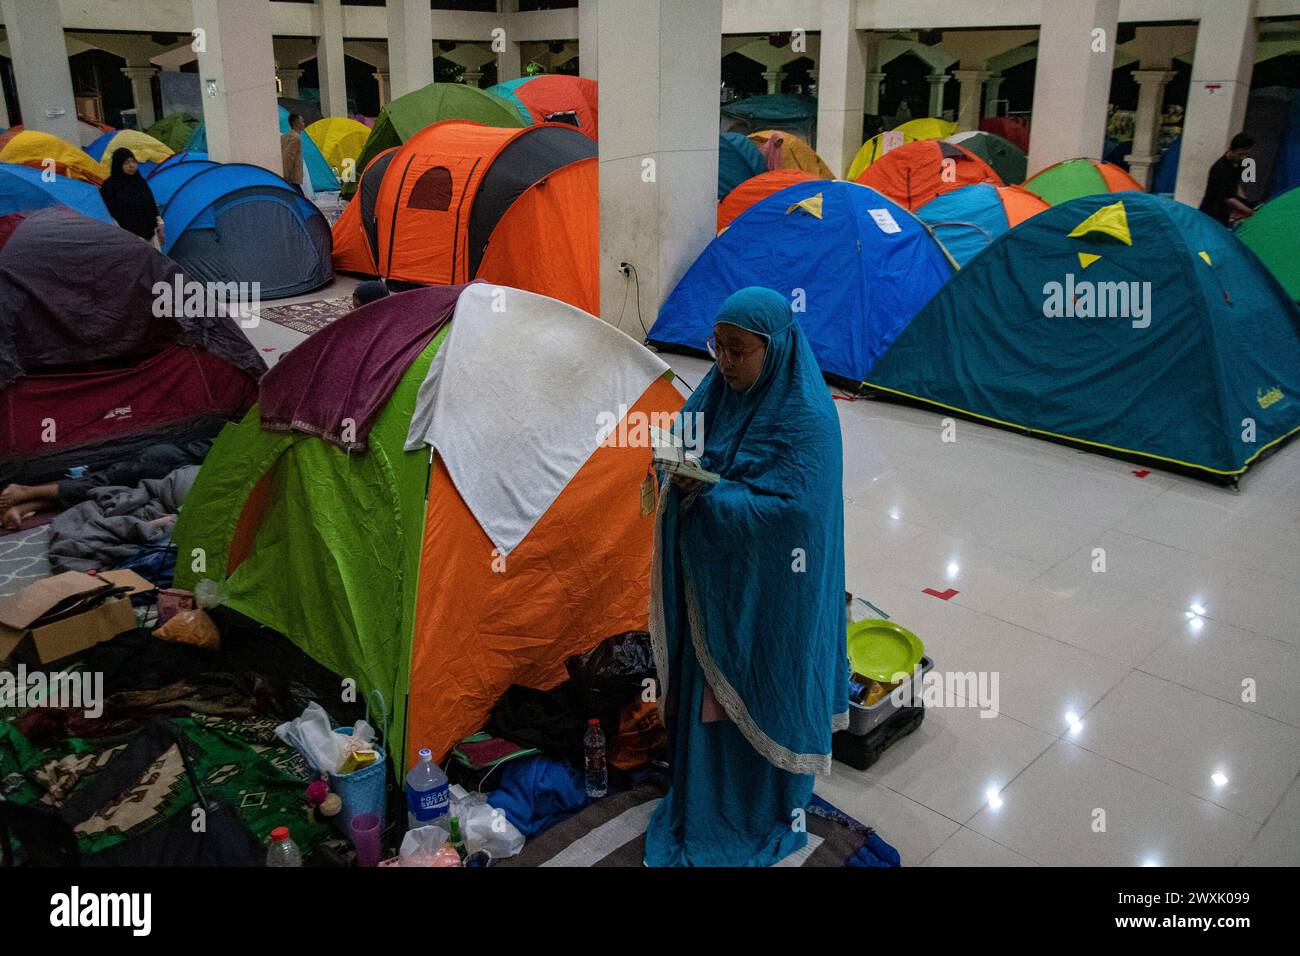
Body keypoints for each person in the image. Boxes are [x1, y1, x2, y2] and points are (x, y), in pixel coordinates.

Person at [644, 286, 848, 867]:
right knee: (707, 702)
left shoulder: (808, 419)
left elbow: (797, 514)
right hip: (717, 587)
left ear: (775, 350)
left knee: (760, 681)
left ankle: (763, 806)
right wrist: (677, 472)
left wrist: (715, 499)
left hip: (774, 596)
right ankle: (705, 800)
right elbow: (683, 439)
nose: (726, 363)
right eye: (719, 348)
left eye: (739, 351)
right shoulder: (718, 390)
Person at [99, 148, 163, 246]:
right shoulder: (110, 186)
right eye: (126, 162)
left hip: (150, 233)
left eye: (133, 161)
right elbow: (109, 214)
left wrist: (160, 227)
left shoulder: (140, 182)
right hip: (127, 238)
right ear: (118, 164)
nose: (131, 165)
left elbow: (151, 205)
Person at [1199, 132, 1256, 226]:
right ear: (1230, 149)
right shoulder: (1220, 169)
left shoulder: (1239, 163)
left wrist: (1246, 202)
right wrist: (1249, 212)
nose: (1243, 157)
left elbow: (1236, 184)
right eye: (1241, 154)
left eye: (1246, 154)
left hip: (1225, 210)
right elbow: (1228, 198)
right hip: (1211, 212)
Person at [281, 112, 306, 191]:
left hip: (288, 176)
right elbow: (289, 157)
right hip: (292, 177)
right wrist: (286, 176)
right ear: (297, 123)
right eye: (302, 121)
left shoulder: (284, 136)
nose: (304, 123)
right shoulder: (296, 138)